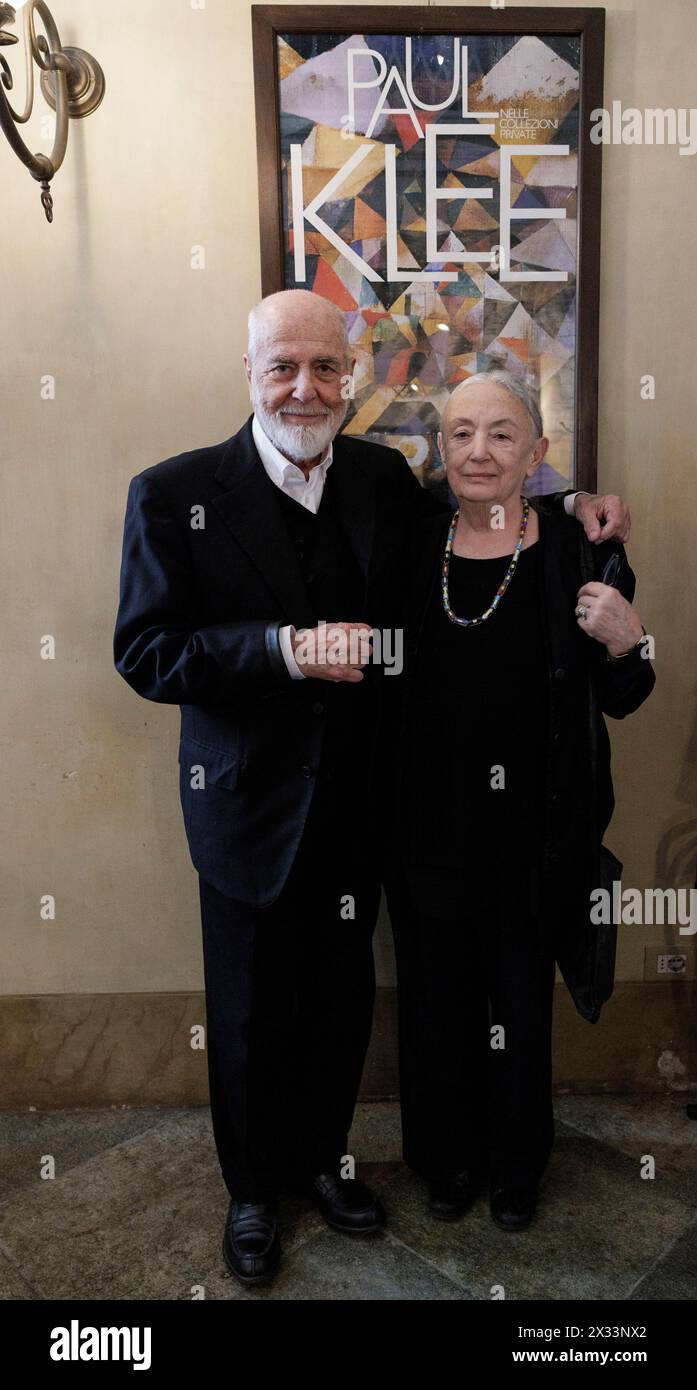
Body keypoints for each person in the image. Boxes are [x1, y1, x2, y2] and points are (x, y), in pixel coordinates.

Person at [113, 289, 630, 1285]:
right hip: (247, 809)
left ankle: (322, 1161)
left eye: (322, 369)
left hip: (362, 806)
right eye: (282, 368)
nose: (304, 388)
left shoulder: (381, 477)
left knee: (342, 1001)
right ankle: (254, 1192)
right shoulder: (173, 492)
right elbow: (145, 652)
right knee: (252, 1011)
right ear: (251, 375)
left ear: (347, 378)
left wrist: (570, 503)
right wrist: (283, 649)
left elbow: (479, 507)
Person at [386, 368, 655, 1234]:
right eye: (460, 432)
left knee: (518, 1005)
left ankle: (514, 1166)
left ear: (535, 454)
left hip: (539, 830)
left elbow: (623, 696)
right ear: (439, 450)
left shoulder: (582, 554)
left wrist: (629, 643)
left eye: (501, 434)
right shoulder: (407, 542)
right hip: (426, 828)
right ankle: (444, 1160)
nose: (477, 451)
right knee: (435, 1003)